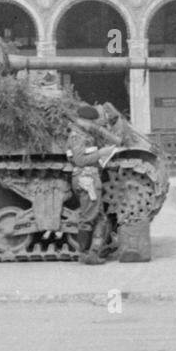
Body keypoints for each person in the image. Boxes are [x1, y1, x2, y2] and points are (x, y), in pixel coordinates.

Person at [66, 104, 116, 265]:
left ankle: (93, 252)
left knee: (99, 216)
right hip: (85, 179)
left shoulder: (84, 134)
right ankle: (86, 254)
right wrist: (101, 154)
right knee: (88, 218)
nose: (92, 125)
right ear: (82, 120)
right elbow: (80, 161)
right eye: (90, 122)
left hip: (91, 178)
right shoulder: (77, 136)